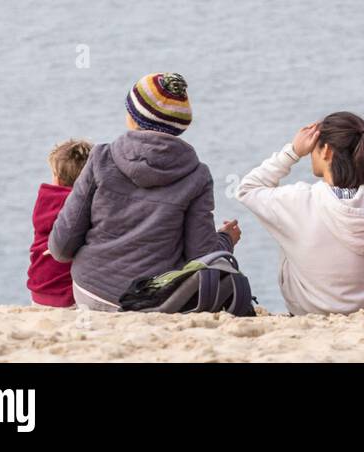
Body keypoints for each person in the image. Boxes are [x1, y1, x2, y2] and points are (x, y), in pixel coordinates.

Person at [48, 73, 240, 311]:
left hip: (90, 291)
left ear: (133, 118)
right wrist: (225, 240)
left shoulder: (100, 158)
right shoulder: (197, 175)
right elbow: (200, 258)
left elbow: (61, 247)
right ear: (180, 126)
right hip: (153, 300)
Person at [236, 112, 364, 315]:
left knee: (291, 239)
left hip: (311, 308)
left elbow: (247, 189)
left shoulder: (301, 199)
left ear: (326, 150)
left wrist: (292, 152)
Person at [27, 139, 92, 307]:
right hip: (68, 296)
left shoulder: (45, 201)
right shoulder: (87, 205)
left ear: (56, 178)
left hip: (38, 291)